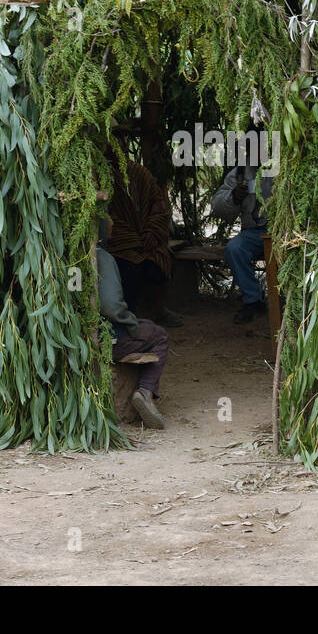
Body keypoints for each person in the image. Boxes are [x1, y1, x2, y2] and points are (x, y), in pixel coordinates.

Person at [97, 213, 168, 429]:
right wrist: (129, 322)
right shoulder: (101, 257)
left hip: (74, 335)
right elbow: (110, 305)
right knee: (158, 335)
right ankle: (145, 392)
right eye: (109, 223)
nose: (112, 227)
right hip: (105, 337)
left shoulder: (64, 254)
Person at [105, 155, 183, 327]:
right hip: (119, 243)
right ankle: (126, 317)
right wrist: (132, 240)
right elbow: (108, 220)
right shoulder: (100, 174)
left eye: (121, 138)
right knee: (129, 265)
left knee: (159, 260)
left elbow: (159, 208)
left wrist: (152, 232)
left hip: (146, 239)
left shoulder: (139, 172)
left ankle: (158, 309)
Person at [211, 163, 273, 324]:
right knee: (235, 249)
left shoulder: (288, 165)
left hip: (284, 229)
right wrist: (234, 197)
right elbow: (217, 206)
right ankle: (253, 301)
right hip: (254, 231)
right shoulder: (240, 173)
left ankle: (289, 300)